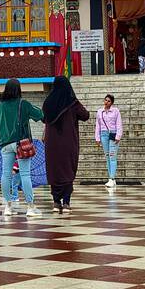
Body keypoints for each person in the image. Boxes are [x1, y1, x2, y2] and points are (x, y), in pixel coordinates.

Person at [0, 78, 46, 217]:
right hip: (21, 144)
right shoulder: (24, 104)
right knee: (25, 174)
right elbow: (40, 114)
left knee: (6, 175)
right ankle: (30, 207)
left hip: (5, 144)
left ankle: (8, 207)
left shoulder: (0, 106)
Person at [42, 75, 89, 214]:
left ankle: (56, 203)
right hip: (69, 143)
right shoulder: (72, 103)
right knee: (67, 169)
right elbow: (85, 115)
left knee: (54, 170)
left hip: (52, 145)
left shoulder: (48, 103)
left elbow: (43, 118)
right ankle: (66, 203)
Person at [95, 93, 123, 188]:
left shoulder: (115, 111)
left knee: (112, 156)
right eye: (105, 100)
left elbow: (119, 123)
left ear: (112, 103)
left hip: (113, 134)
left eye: (109, 101)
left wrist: (118, 136)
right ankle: (111, 179)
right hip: (103, 134)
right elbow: (98, 125)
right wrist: (97, 138)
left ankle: (111, 178)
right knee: (107, 156)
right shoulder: (100, 111)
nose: (106, 102)